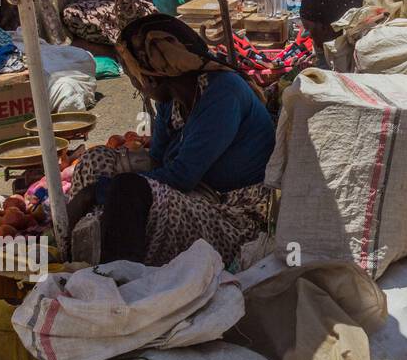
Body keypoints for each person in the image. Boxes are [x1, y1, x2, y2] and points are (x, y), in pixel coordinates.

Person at [66, 14, 276, 266]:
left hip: (232, 213)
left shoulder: (223, 93)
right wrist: (104, 187)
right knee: (95, 160)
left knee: (129, 189)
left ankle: (120, 273)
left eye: (135, 76)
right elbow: (157, 159)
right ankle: (94, 242)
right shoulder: (171, 98)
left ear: (153, 76)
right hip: (196, 193)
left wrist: (95, 192)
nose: (137, 84)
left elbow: (181, 176)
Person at [62, 0, 156, 47]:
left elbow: (136, 1)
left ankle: (128, 40)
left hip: (133, 10)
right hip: (104, 6)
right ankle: (125, 40)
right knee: (72, 14)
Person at [299, 0, 369, 68]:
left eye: (308, 28)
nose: (308, 36)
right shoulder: (343, 43)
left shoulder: (362, 54)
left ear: (325, 28)